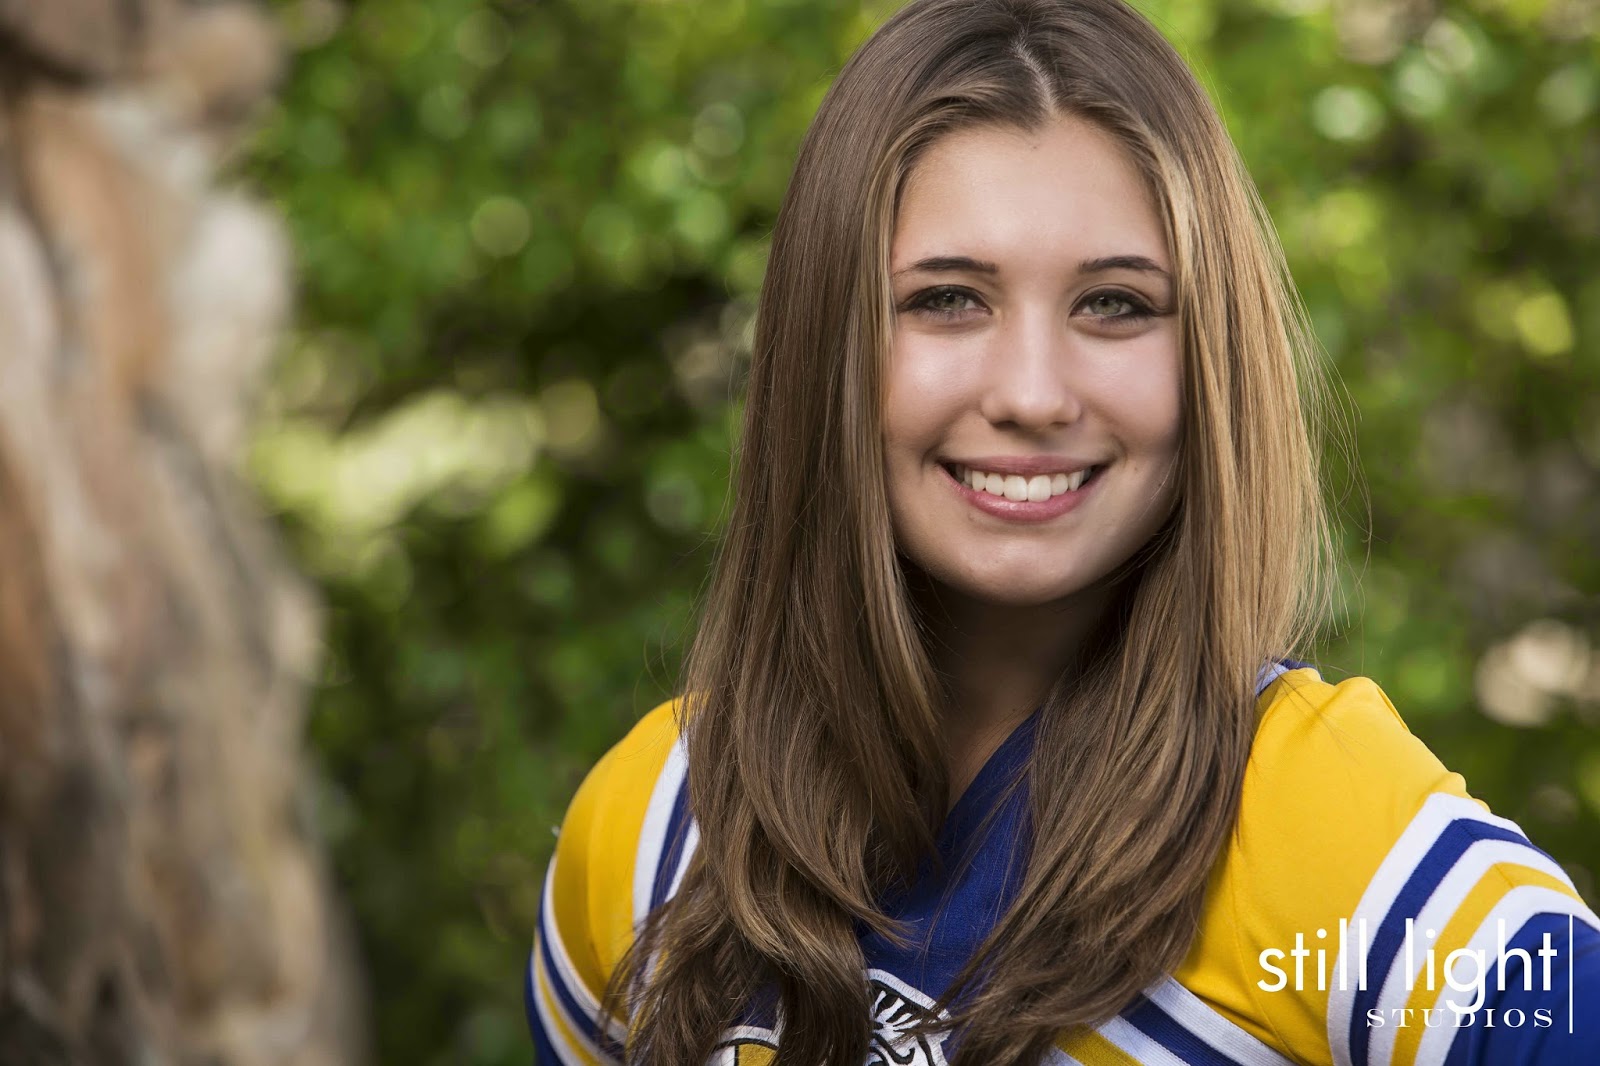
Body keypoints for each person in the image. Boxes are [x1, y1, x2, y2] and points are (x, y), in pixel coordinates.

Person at [524, 0, 1600, 1063]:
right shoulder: (656, 824)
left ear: (1207, 359)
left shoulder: (1331, 844)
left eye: (1114, 305)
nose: (1033, 394)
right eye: (947, 299)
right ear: (826, 348)